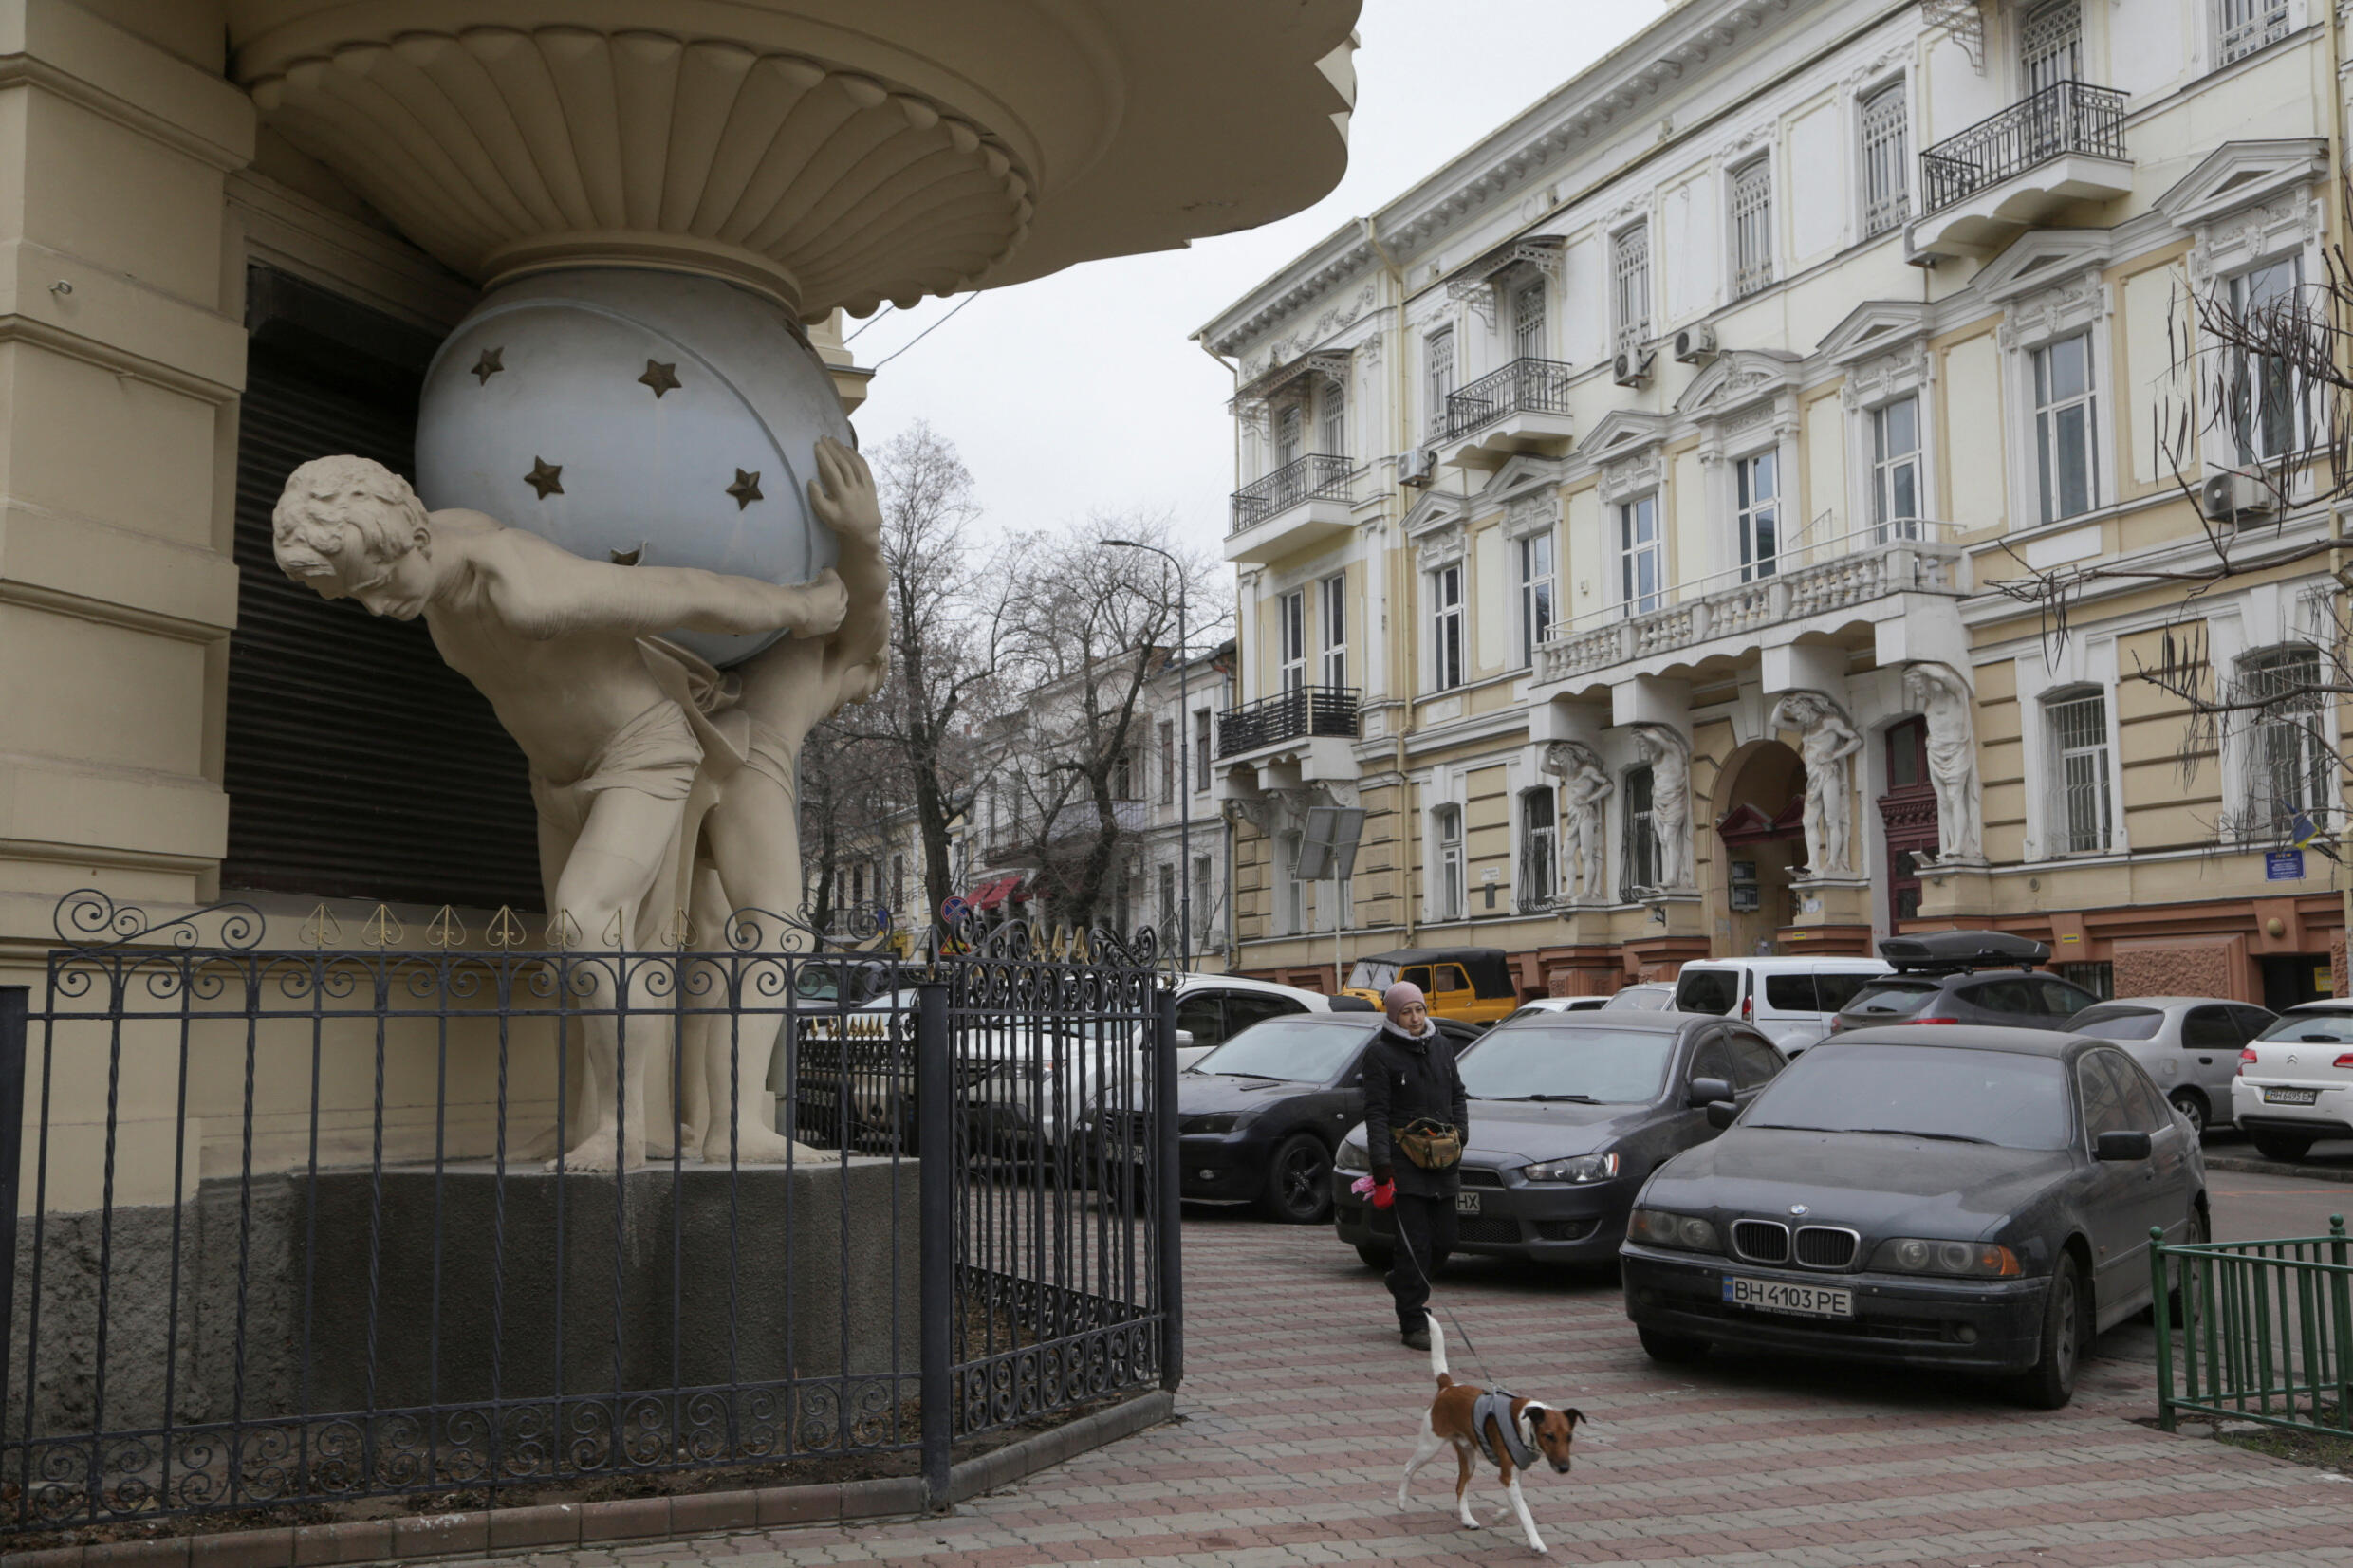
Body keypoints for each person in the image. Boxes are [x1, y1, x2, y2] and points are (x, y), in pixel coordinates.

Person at [270, 452, 848, 1170]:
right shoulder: (432, 550)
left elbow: (678, 593)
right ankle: (603, 1125)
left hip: (640, 755)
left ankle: (622, 1130)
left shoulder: (521, 585)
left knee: (586, 918)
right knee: (578, 959)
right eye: (355, 596)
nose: (377, 609)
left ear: (412, 541)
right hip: (556, 779)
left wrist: (802, 609)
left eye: (377, 586)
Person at [1362, 981, 1469, 1351]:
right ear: (1394, 1016)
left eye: (1419, 1010)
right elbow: (1376, 1112)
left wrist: (1461, 1132)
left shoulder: (1442, 1046)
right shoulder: (1380, 1055)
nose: (1414, 1018)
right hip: (1403, 1160)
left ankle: (1402, 1281)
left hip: (1443, 1157)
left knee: (1446, 1239)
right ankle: (1413, 1320)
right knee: (1415, 1244)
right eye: (1406, 1012)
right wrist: (1381, 1163)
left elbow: (1457, 1094)